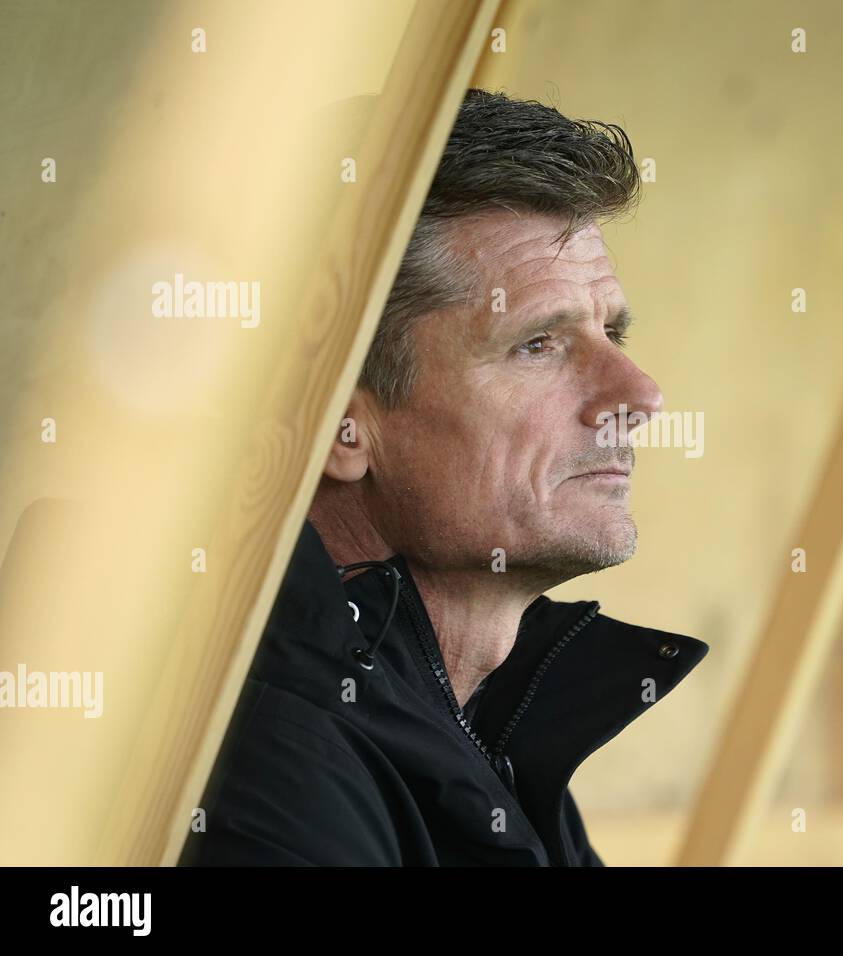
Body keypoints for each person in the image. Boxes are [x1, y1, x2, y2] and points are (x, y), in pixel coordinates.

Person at [179, 89, 708, 866]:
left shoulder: (485, 725)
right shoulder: (265, 759)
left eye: (612, 331)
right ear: (338, 425)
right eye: (539, 344)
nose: (639, 395)